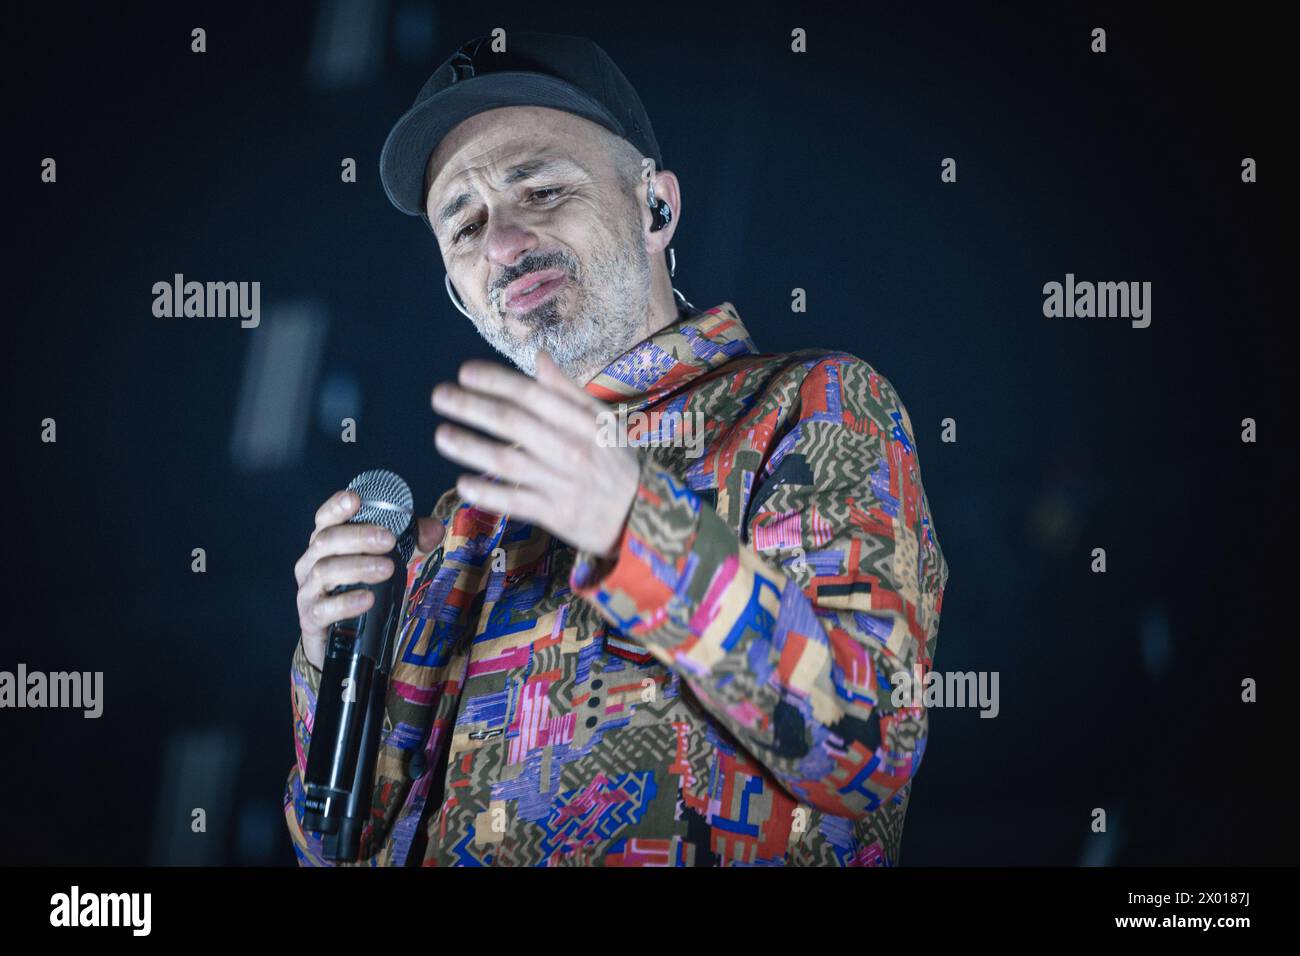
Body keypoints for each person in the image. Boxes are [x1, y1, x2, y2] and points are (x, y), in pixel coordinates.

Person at [284, 32, 949, 866]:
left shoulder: (810, 404)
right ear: (457, 293)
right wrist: (326, 664)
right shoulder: (454, 531)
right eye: (465, 225)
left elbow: (868, 739)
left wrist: (634, 527)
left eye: (542, 189)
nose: (502, 243)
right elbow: (334, 849)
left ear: (656, 207)